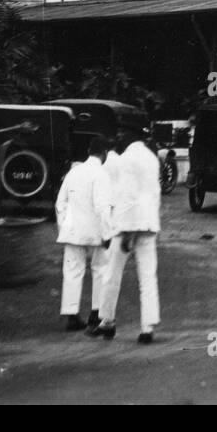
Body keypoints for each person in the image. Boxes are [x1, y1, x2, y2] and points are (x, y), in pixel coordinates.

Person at [89, 129, 161, 344]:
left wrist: (127, 231)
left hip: (128, 225)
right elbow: (152, 194)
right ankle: (147, 328)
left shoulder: (126, 159)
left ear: (128, 137)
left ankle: (107, 322)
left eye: (121, 135)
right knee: (148, 277)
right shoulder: (151, 158)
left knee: (112, 274)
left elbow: (127, 196)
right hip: (149, 224)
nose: (118, 138)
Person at [56, 133, 113, 332]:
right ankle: (95, 314)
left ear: (89, 151)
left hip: (73, 231)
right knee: (100, 270)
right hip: (95, 232)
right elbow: (102, 208)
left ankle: (72, 316)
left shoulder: (74, 173)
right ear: (105, 153)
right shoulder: (101, 175)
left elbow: (60, 203)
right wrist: (107, 234)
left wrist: (64, 226)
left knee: (72, 271)